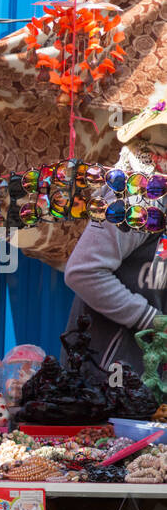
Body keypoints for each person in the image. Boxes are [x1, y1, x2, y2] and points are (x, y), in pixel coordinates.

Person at [64, 93, 167, 377]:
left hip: (147, 372)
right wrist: (151, 320)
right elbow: (84, 272)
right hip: (108, 370)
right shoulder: (138, 199)